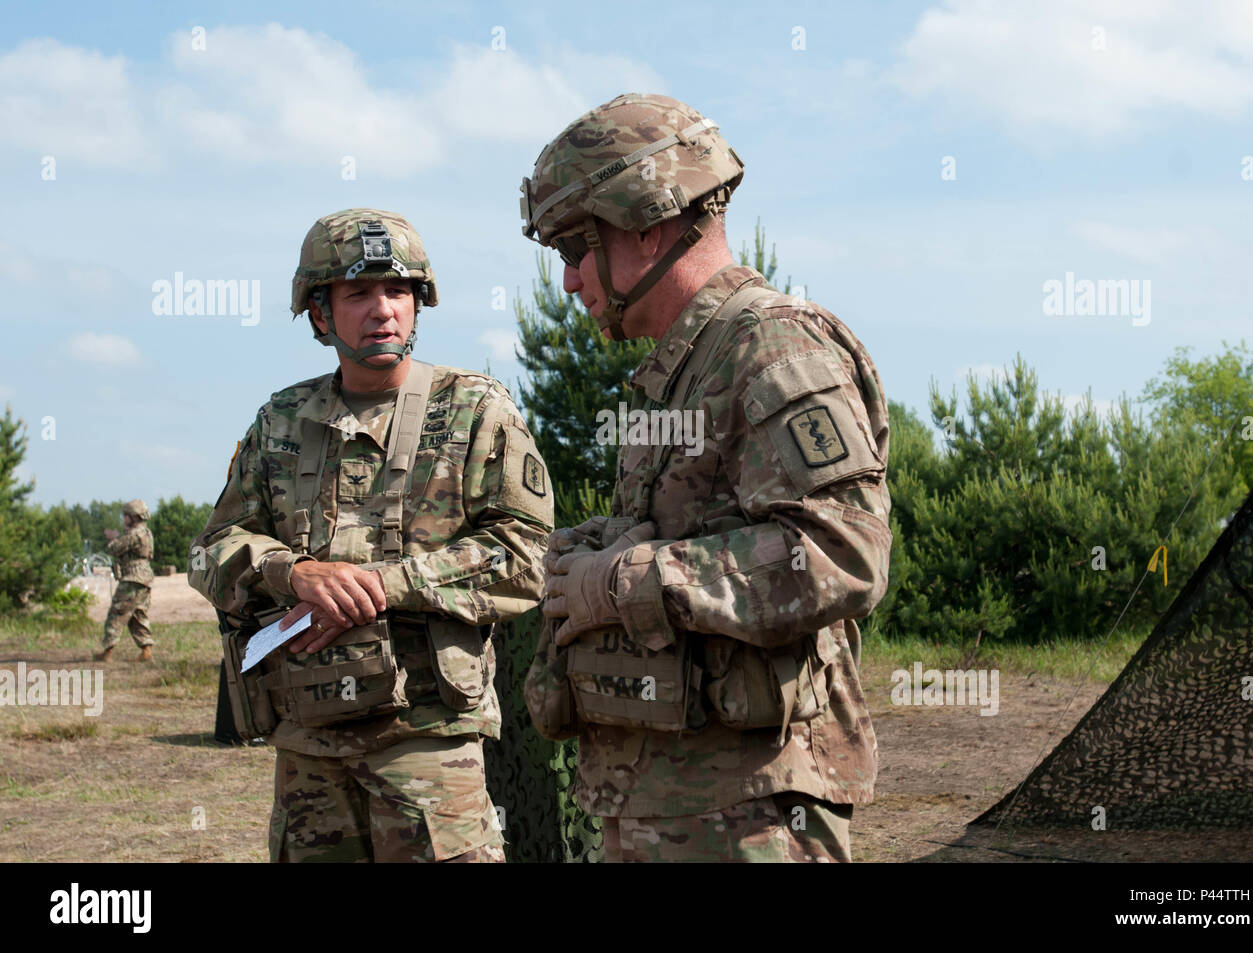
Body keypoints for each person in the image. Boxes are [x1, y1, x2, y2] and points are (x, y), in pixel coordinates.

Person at [520, 94, 891, 862]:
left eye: (573, 248)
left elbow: (843, 551)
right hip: (670, 802)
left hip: (751, 813)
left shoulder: (773, 346)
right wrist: (594, 551)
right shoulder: (684, 369)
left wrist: (626, 579)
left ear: (644, 223)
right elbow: (703, 529)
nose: (566, 280)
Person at [188, 208, 552, 862]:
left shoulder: (476, 410)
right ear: (320, 315)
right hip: (308, 748)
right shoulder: (280, 421)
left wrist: (384, 585)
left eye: (399, 291)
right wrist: (290, 572)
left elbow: (527, 557)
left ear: (419, 305)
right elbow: (210, 551)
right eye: (358, 293)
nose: (383, 310)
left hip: (429, 743)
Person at [94, 498, 154, 662]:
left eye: (126, 516)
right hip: (144, 578)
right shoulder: (146, 532)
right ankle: (146, 651)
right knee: (137, 615)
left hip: (133, 579)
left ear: (134, 517)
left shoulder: (134, 534)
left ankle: (107, 652)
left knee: (117, 613)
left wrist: (112, 538)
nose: (124, 519)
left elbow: (114, 549)